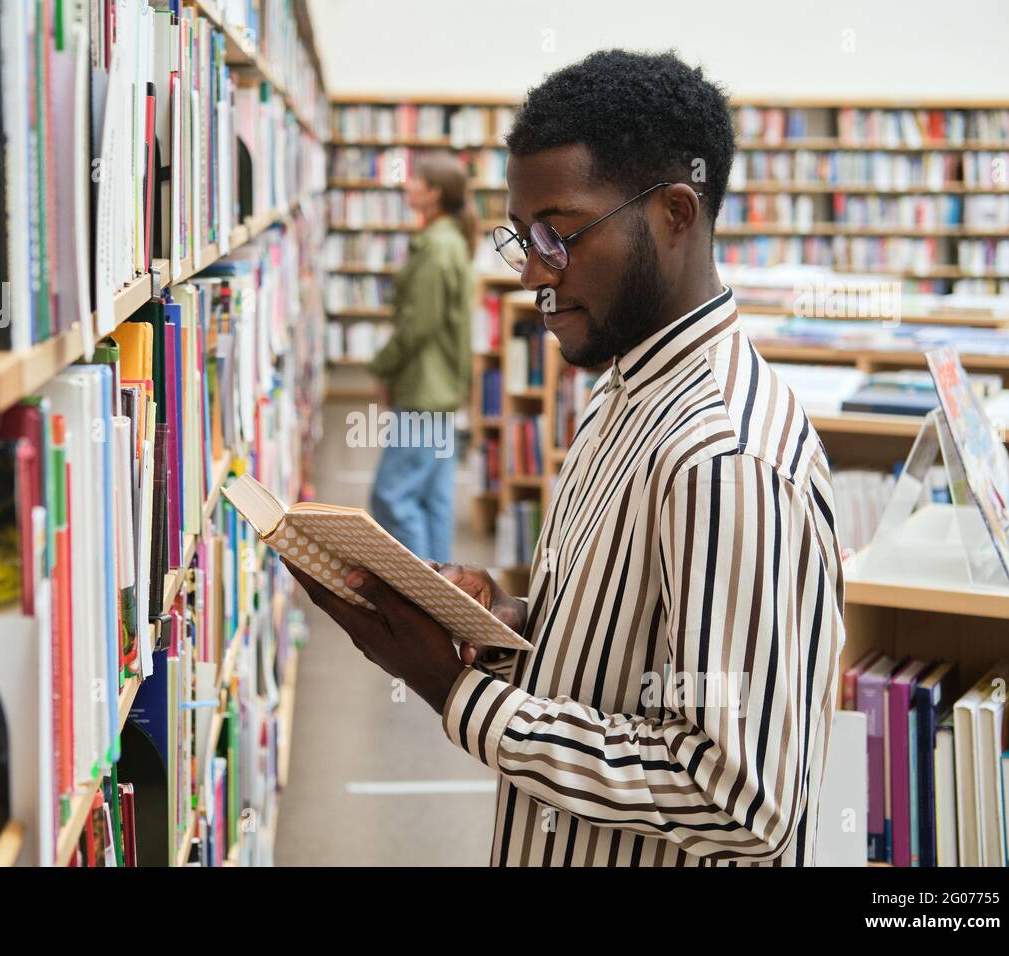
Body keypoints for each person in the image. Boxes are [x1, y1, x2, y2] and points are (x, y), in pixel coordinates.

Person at [288, 50, 846, 866]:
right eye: (523, 237)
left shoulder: (724, 458)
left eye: (560, 232)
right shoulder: (623, 390)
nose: (533, 273)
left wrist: (459, 693)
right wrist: (509, 624)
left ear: (676, 214)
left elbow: (738, 799)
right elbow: (632, 648)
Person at [366, 153, 476, 564]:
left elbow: (419, 325)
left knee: (392, 496)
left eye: (416, 179)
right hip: (441, 388)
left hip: (425, 388)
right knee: (432, 499)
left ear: (434, 193)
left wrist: (381, 367)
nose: (407, 184)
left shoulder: (436, 248)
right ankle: (442, 595)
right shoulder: (448, 241)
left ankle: (420, 592)